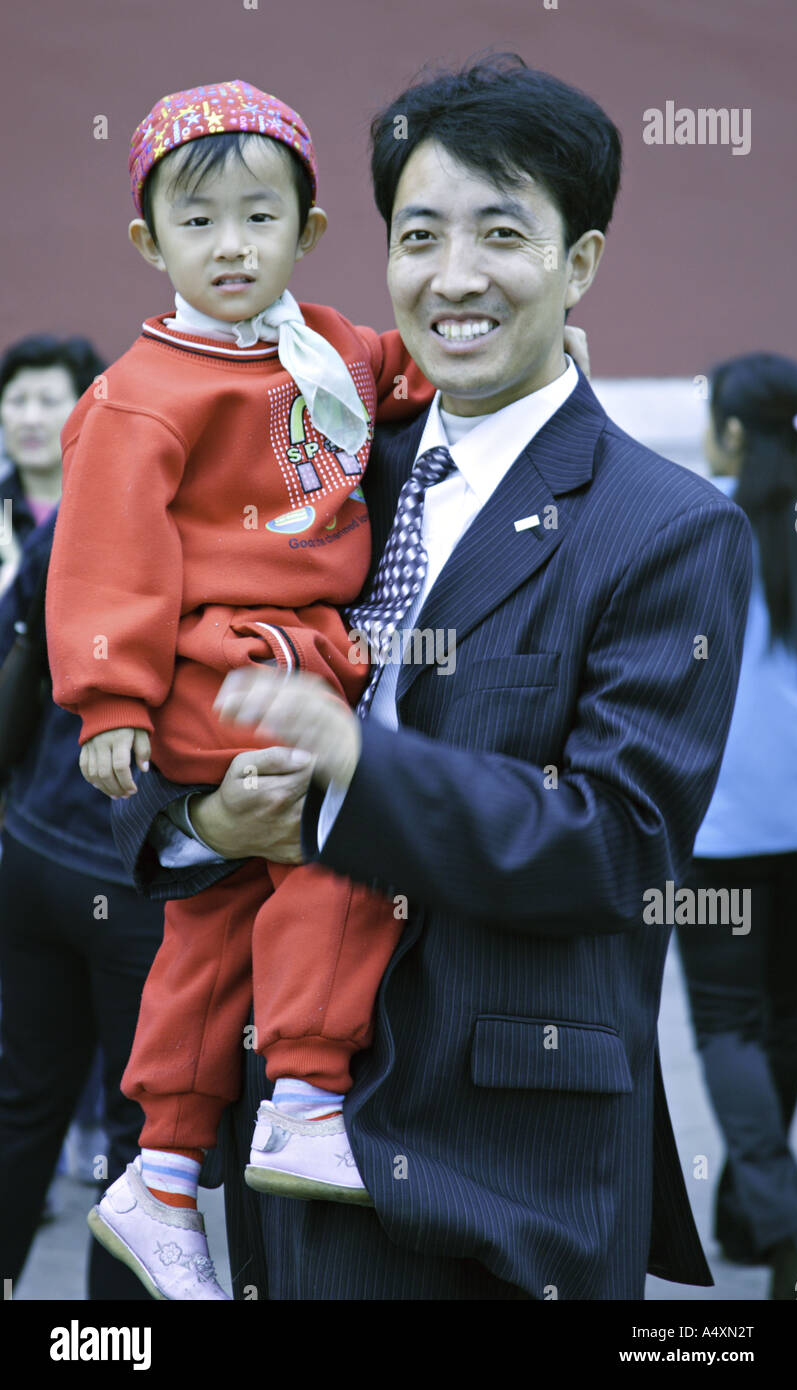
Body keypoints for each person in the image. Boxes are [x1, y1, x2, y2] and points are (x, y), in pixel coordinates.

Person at [112, 54, 754, 1300]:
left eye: (501, 233)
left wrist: (360, 770)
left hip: (508, 1173)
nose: (452, 278)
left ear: (580, 265)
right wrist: (200, 821)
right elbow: (160, 691)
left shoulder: (667, 528)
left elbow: (614, 846)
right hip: (280, 1152)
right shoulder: (323, 465)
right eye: (420, 236)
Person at [45, 78, 437, 1300]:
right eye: (199, 221)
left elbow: (401, 371)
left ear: (307, 236)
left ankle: (160, 1175)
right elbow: (105, 553)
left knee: (212, 927)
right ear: (148, 241)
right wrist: (110, 705)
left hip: (292, 652)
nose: (232, 246)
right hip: (232, 668)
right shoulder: (141, 395)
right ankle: (309, 1092)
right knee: (344, 841)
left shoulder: (321, 340)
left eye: (260, 219)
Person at [0, 336, 171, 1301]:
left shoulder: (60, 528)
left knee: (23, 1100)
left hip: (31, 850)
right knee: (136, 1129)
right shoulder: (197, 525)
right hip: (133, 867)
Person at [674, 352, 797, 1301]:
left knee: (727, 1022)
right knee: (787, 1019)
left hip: (718, 826)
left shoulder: (692, 521)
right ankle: (754, 1218)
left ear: (728, 431)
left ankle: (784, 1222)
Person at [0, 336, 93, 594]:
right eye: (18, 401)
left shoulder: (105, 508)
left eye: (49, 401)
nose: (31, 419)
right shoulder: (3, 507)